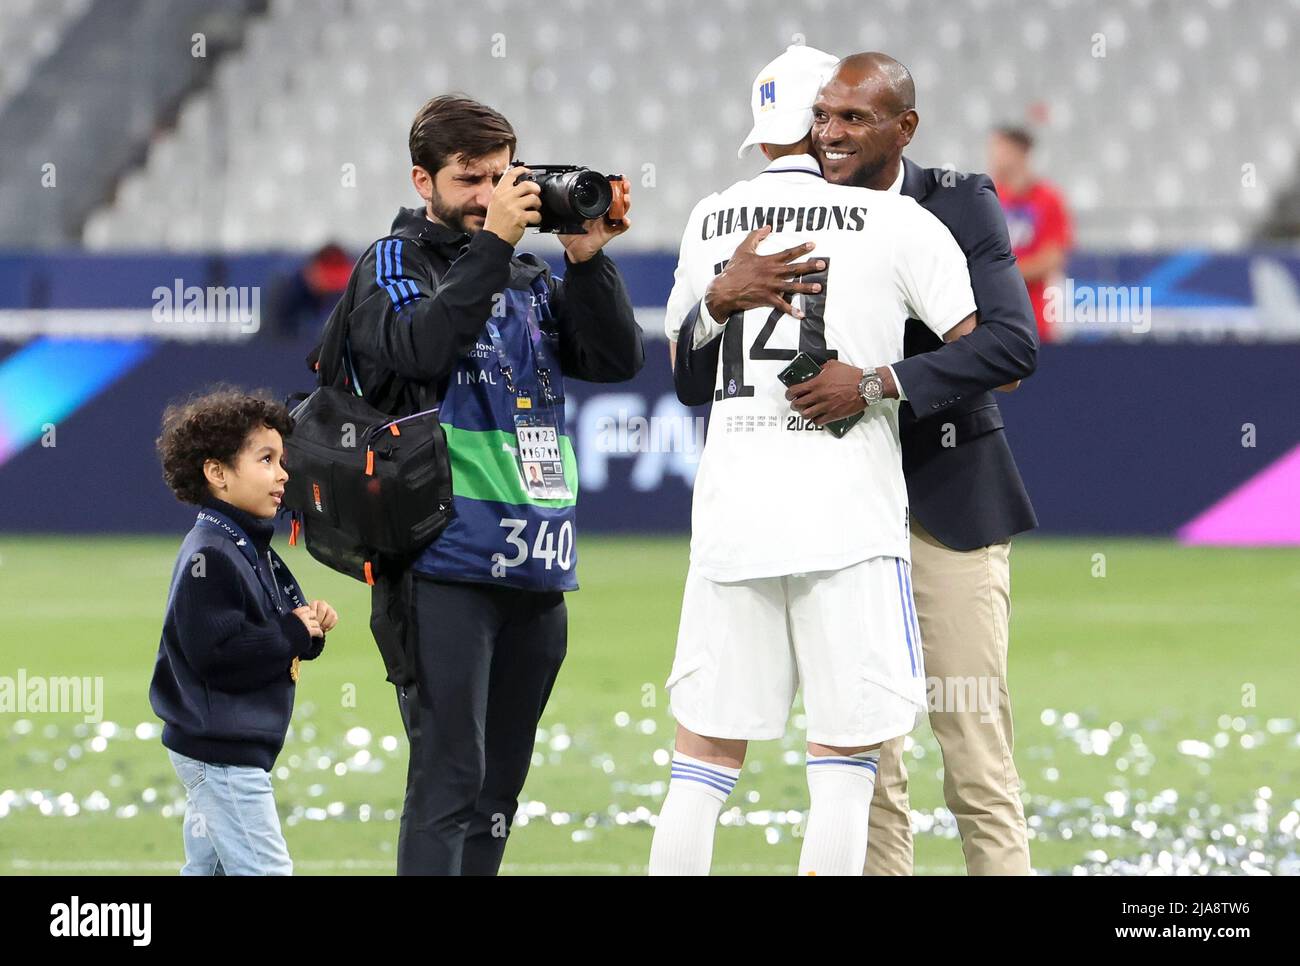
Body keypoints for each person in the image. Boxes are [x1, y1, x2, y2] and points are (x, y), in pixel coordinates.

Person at [671, 52, 1039, 876]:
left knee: (972, 748)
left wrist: (878, 384)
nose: (830, 135)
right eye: (824, 118)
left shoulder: (954, 201)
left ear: (903, 128)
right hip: (832, 508)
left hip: (942, 498)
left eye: (850, 120)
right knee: (868, 766)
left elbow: (1012, 346)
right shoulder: (794, 211)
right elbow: (706, 371)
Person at [311, 94, 643, 875]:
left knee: (498, 795)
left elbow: (615, 358)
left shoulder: (527, 276)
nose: (491, 195)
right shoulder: (391, 263)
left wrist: (588, 257)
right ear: (422, 180)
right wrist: (492, 243)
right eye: (470, 180)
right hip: (439, 565)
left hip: (536, 564)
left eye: (502, 176)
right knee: (449, 785)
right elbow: (420, 350)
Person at [150, 387, 337, 875]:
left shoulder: (245, 542)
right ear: (217, 473)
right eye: (266, 459)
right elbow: (219, 655)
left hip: (223, 752)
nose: (282, 474)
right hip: (223, 757)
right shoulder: (210, 553)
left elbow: (273, 623)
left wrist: (308, 629)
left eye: (282, 461)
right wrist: (293, 634)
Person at [987, 126, 1072, 343]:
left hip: (1037, 319)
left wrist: (1000, 273)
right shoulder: (986, 198)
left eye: (1000, 150)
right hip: (993, 319)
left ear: (1020, 152)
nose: (993, 157)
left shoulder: (1049, 199)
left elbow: (1052, 259)